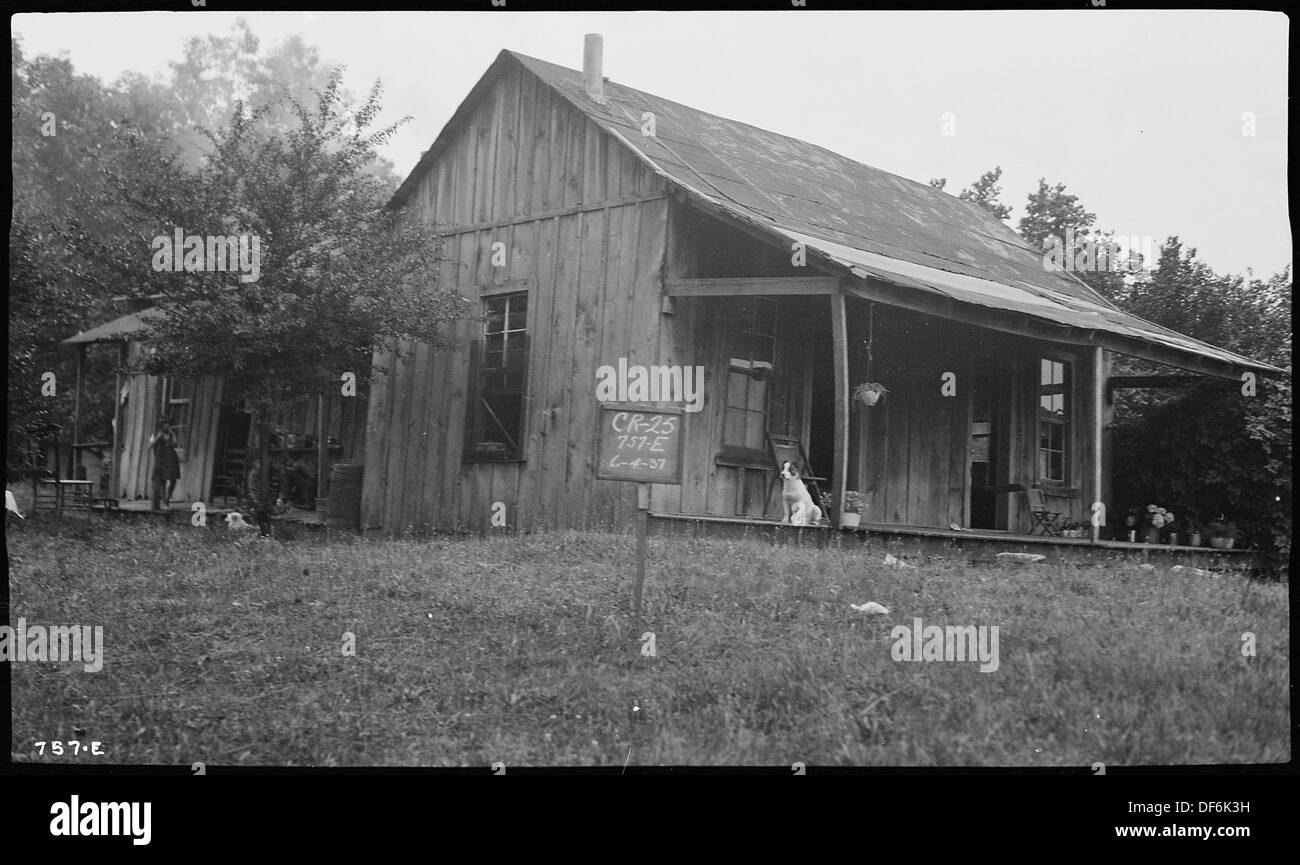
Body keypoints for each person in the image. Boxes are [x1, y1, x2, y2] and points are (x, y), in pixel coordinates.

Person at [149, 417, 181, 510]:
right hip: (161, 458)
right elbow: (150, 446)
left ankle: (168, 497)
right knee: (162, 480)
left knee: (173, 479)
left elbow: (175, 444)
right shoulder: (155, 434)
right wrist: (158, 437)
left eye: (168, 424)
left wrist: (171, 437)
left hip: (171, 457)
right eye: (165, 424)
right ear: (161, 426)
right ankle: (164, 500)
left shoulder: (172, 434)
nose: (167, 426)